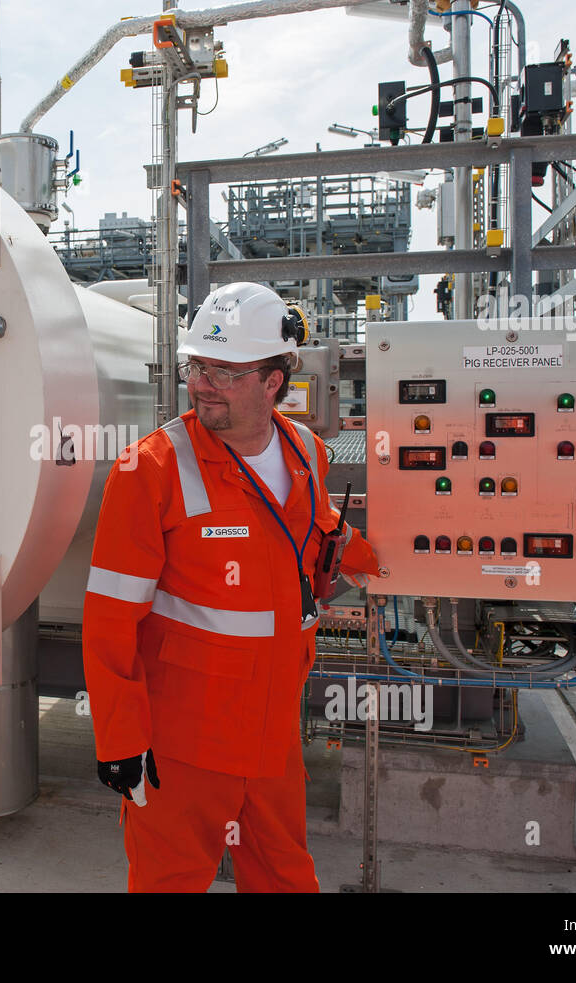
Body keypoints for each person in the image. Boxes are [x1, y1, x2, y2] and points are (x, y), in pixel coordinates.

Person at [82, 281, 381, 892]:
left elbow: (320, 536)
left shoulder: (306, 453)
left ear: (274, 381)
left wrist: (402, 557)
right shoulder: (149, 470)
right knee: (170, 881)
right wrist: (119, 739)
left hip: (274, 734)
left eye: (223, 371)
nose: (200, 384)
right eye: (197, 366)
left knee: (286, 878)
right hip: (182, 745)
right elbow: (111, 618)